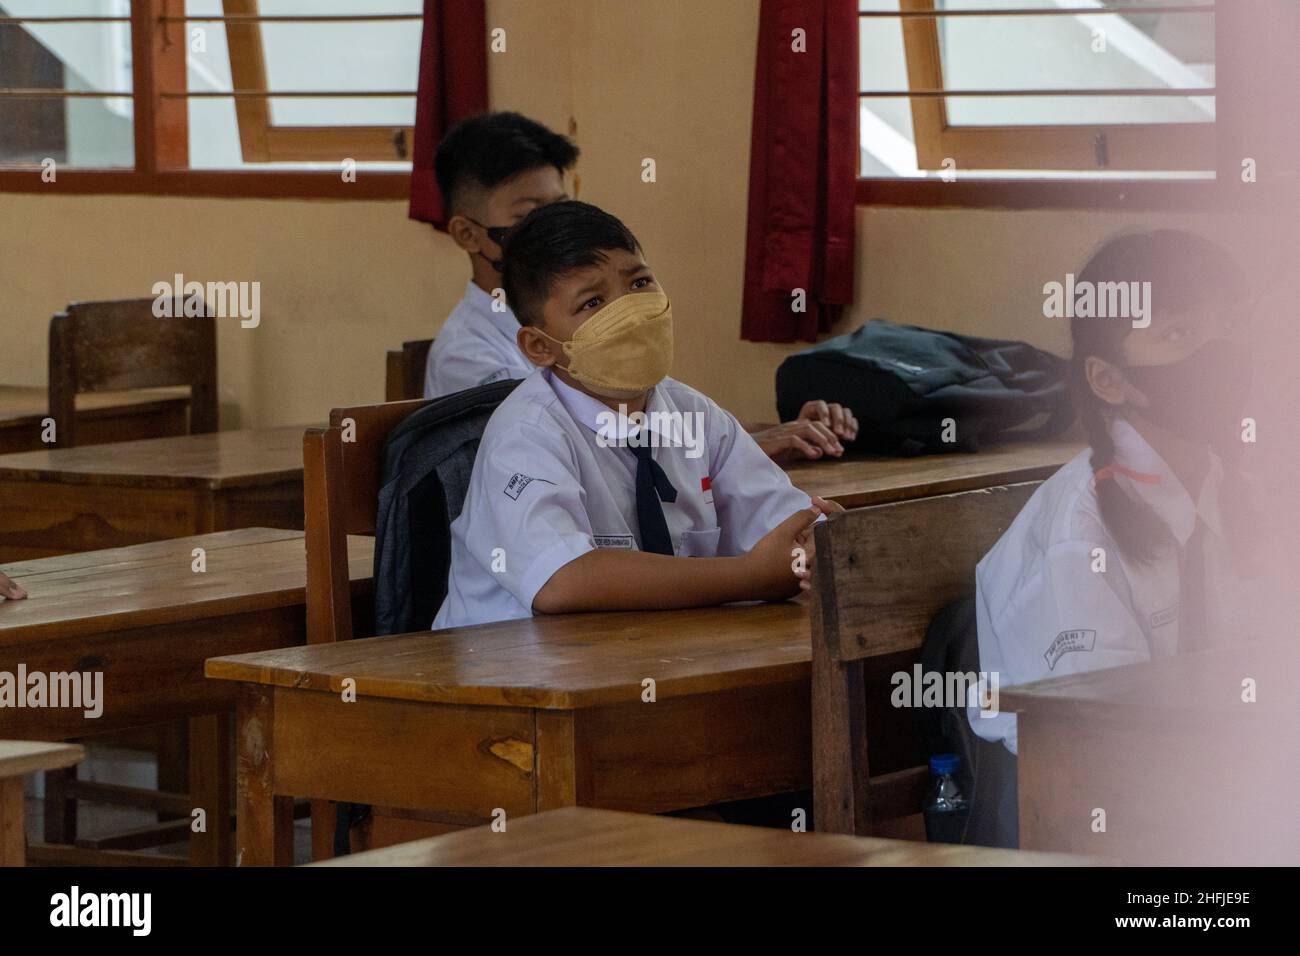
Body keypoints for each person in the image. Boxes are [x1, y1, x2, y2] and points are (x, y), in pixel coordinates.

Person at [433, 200, 841, 629]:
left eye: (639, 282)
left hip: (647, 652)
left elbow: (789, 529)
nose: (628, 312)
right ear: (540, 346)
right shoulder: (526, 434)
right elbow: (562, 581)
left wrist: (810, 542)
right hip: (509, 670)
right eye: (592, 303)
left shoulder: (694, 414)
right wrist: (750, 577)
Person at [969, 229, 1274, 755]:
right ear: (1109, 380)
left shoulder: (1239, 492)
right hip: (1071, 801)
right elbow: (1105, 741)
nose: (1218, 354)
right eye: (1179, 334)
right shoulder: (1080, 534)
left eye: (1229, 325)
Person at [422, 111, 858, 461]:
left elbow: (643, 419)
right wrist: (749, 445)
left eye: (560, 207)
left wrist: (772, 432)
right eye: (528, 217)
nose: (551, 230)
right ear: (467, 234)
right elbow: (588, 441)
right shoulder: (469, 357)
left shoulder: (606, 329)